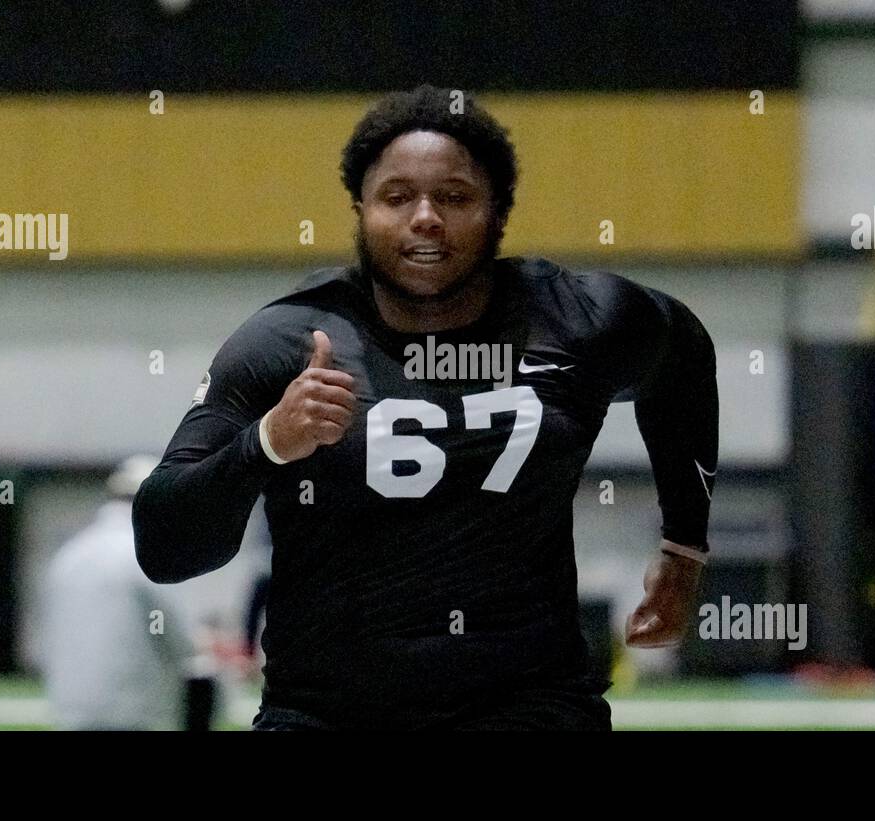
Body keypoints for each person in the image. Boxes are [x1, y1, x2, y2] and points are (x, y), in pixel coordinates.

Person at [134, 85, 718, 730]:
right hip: (329, 710)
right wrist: (266, 443)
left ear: (499, 212)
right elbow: (165, 546)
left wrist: (684, 546)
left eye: (455, 197)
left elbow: (683, 356)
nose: (425, 218)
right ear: (360, 211)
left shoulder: (579, 320)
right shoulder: (286, 343)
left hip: (527, 703)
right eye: (396, 197)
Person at [44, 456, 212, 730]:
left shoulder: (69, 555)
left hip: (69, 708)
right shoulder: (147, 555)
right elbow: (181, 640)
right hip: (131, 709)